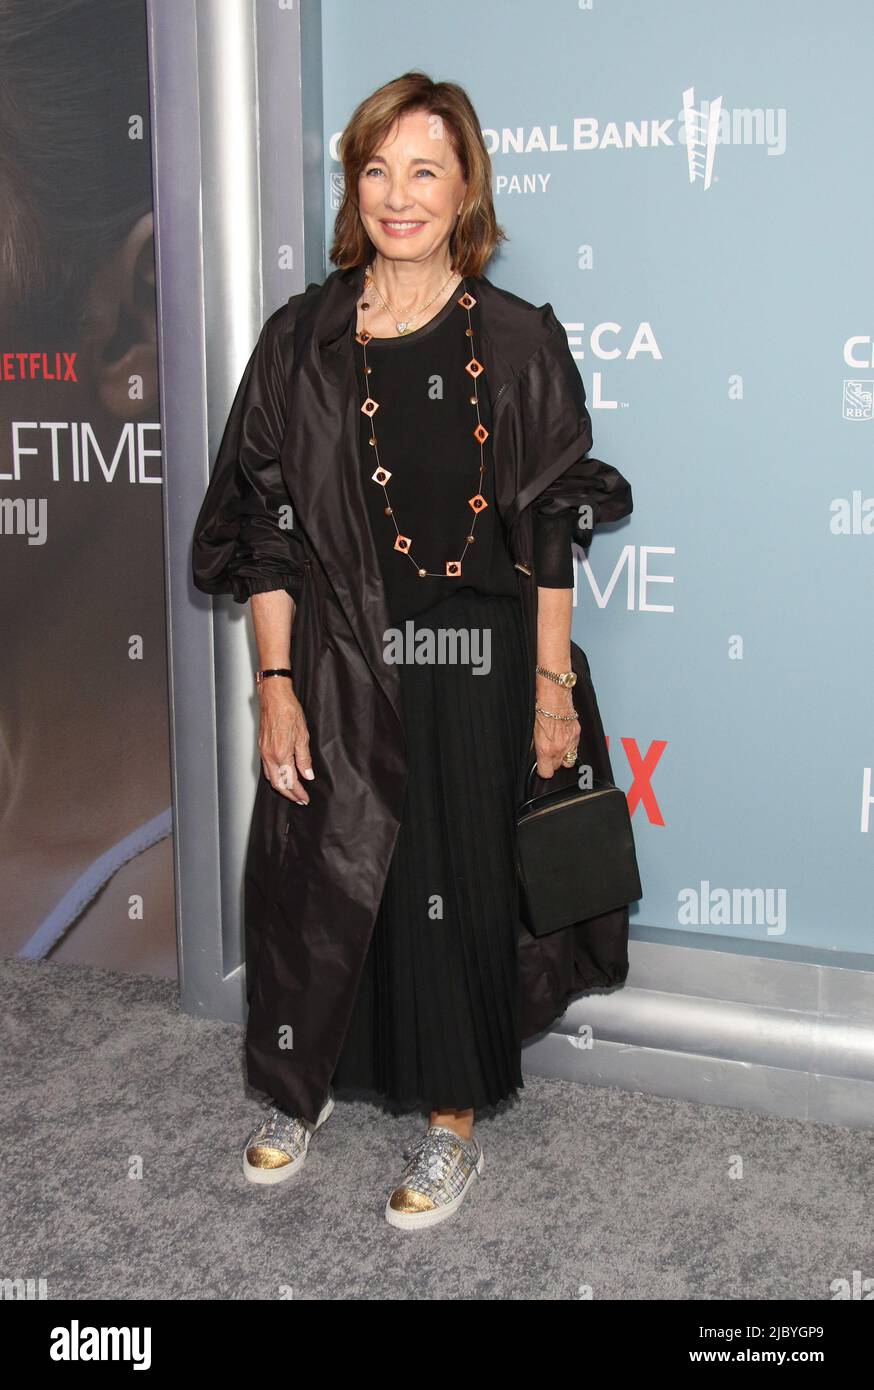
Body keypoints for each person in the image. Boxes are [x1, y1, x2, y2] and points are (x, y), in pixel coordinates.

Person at [192, 71, 633, 1231]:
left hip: (473, 660)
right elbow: (268, 532)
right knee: (317, 880)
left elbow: (547, 531)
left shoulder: (517, 340)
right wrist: (274, 686)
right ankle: (309, 1079)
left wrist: (548, 689)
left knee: (449, 885)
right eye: (377, 168)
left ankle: (451, 1124)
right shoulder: (302, 340)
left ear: (463, 189)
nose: (398, 195)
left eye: (424, 170)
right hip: (336, 659)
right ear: (354, 184)